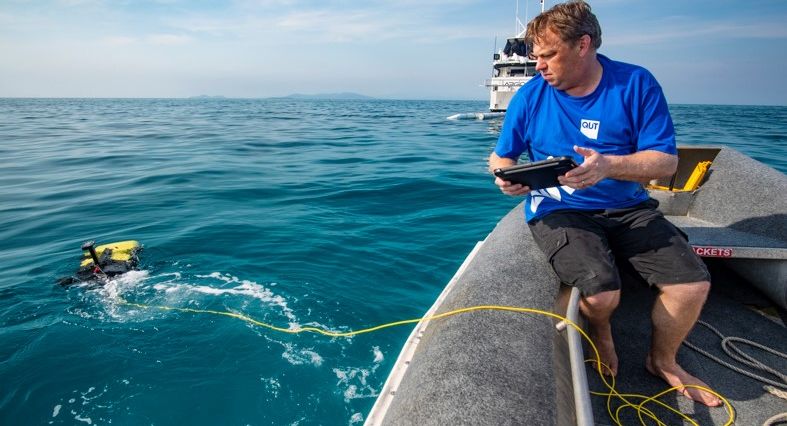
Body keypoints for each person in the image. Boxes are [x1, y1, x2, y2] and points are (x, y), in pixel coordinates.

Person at [488, 0, 722, 407]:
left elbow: (665, 162)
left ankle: (662, 360)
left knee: (692, 286)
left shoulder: (635, 83)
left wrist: (608, 166)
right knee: (601, 295)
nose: (539, 66)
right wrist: (504, 175)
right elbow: (502, 155)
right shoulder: (530, 96)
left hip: (629, 207)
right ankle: (603, 332)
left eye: (548, 55)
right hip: (559, 209)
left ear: (583, 44)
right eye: (535, 57)